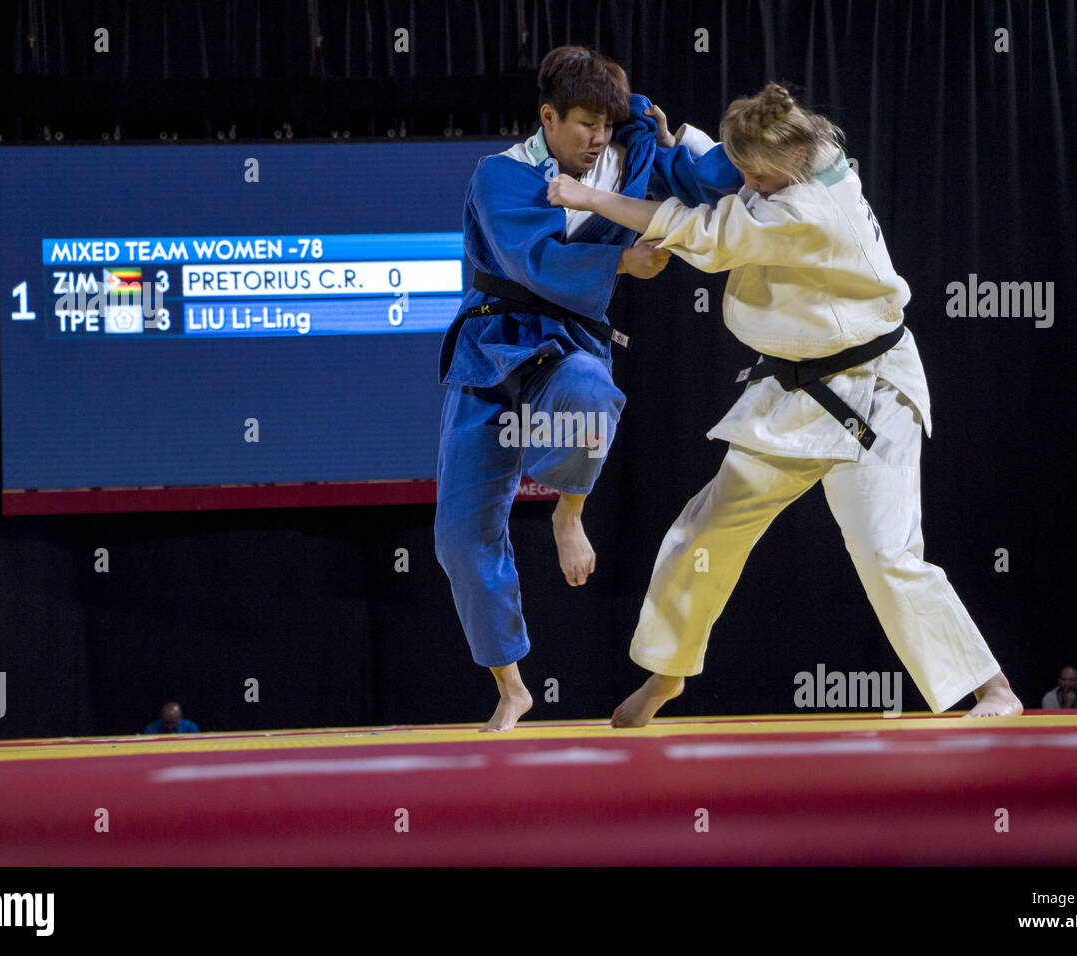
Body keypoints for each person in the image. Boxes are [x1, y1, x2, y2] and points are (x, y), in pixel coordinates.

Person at [547, 82, 1024, 724]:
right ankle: (667, 677)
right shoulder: (799, 159)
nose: (749, 183)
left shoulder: (809, 211)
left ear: (790, 158)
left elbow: (703, 230)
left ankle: (993, 687)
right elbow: (732, 172)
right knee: (702, 533)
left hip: (869, 400)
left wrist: (587, 196)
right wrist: (677, 143)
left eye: (756, 175)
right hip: (793, 395)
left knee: (886, 553)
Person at [433, 46, 741, 732]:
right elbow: (533, 261)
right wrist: (623, 261)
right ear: (549, 118)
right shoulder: (500, 176)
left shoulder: (631, 154)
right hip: (492, 340)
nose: (597, 139)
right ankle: (512, 686)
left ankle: (567, 512)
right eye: (582, 126)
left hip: (568, 341)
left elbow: (710, 177)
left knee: (589, 394)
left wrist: (675, 140)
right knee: (459, 535)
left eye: (606, 125)